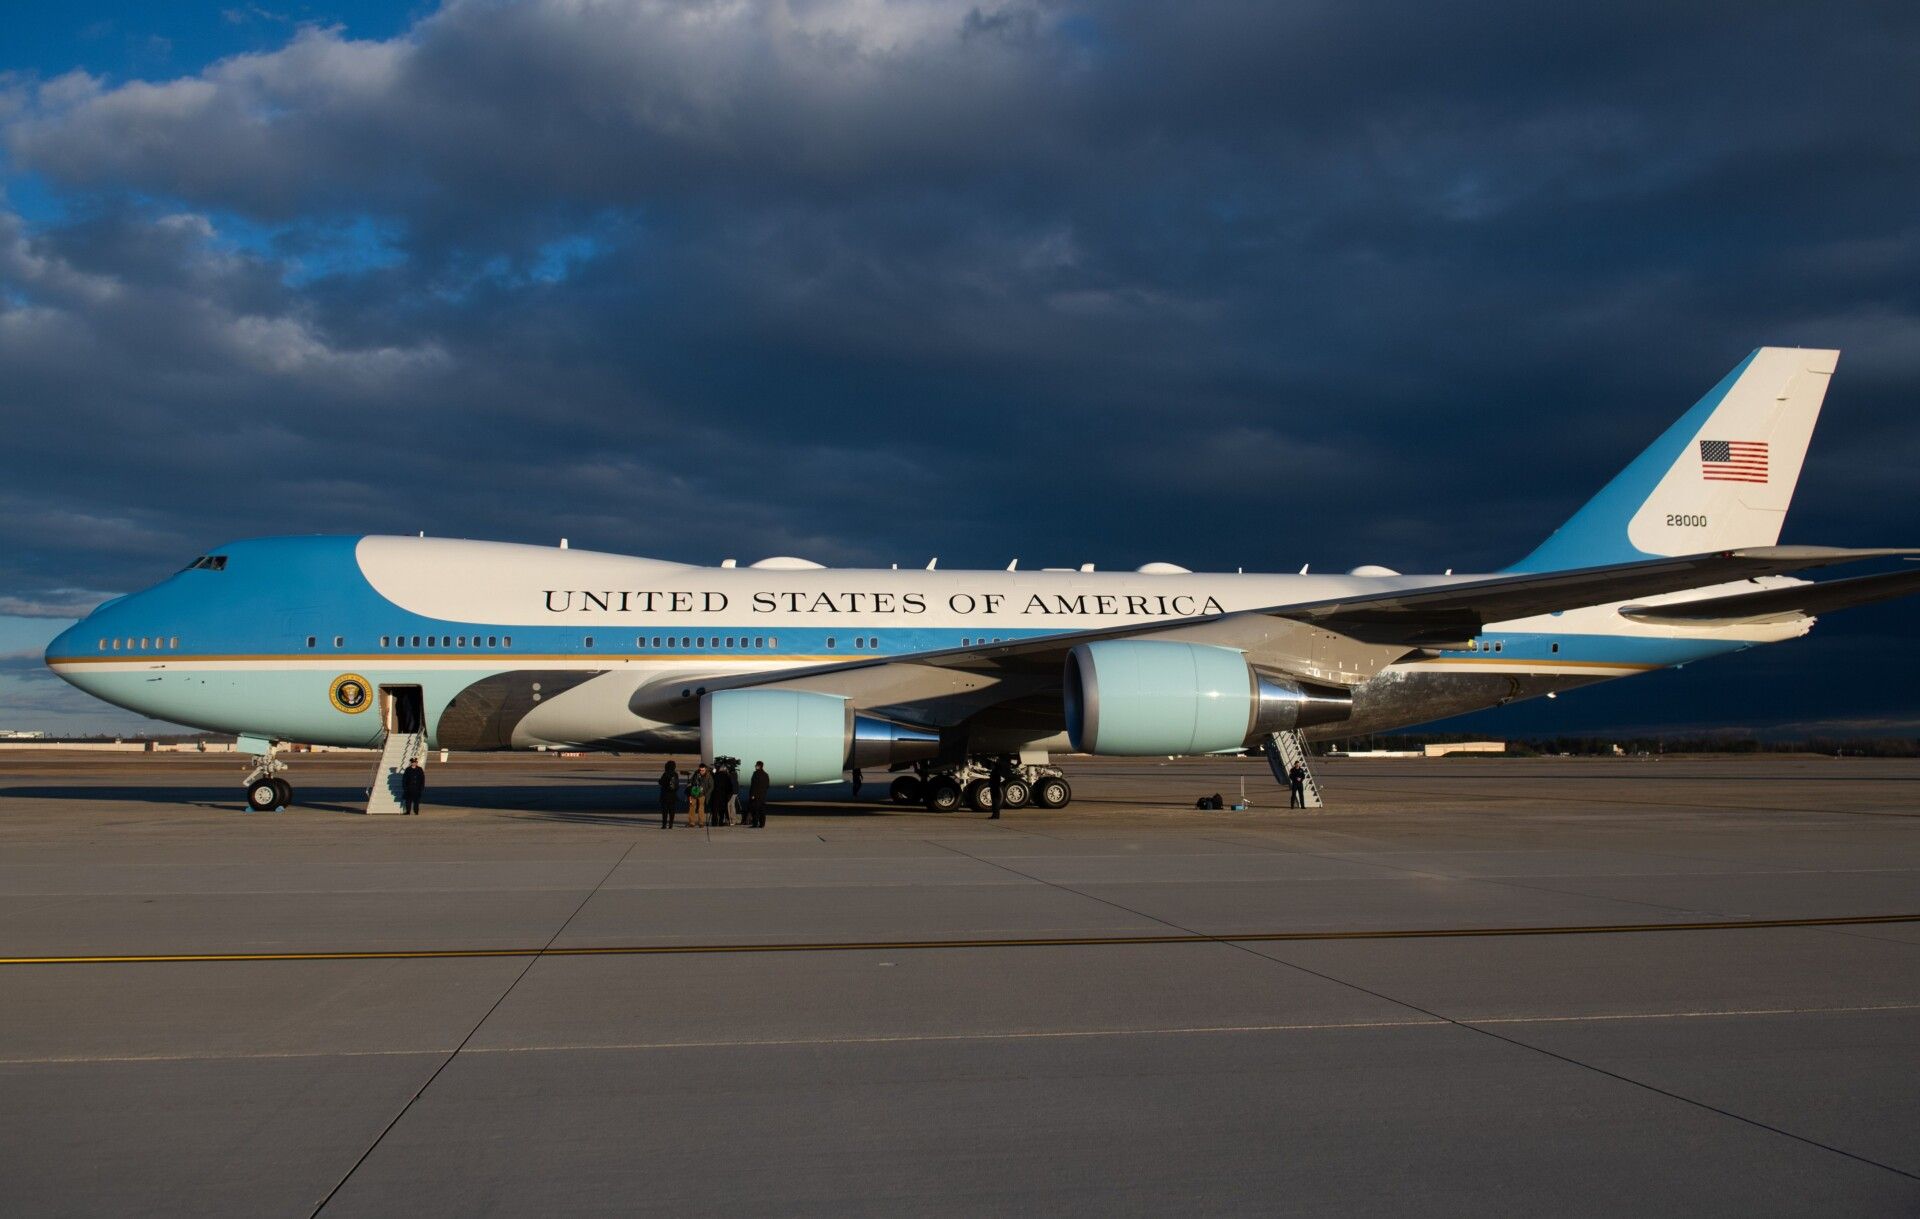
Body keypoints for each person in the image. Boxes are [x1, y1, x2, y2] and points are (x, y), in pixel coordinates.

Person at [745, 760, 770, 828]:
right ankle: (762, 824)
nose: (755, 766)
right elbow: (767, 785)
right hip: (763, 795)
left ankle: (755, 823)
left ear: (759, 766)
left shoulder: (756, 774)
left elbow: (754, 785)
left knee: (755, 810)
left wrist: (752, 795)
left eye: (756, 765)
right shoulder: (766, 775)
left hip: (756, 796)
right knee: (762, 810)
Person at [711, 762, 736, 827]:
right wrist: (728, 795)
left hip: (716, 795)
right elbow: (730, 787)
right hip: (723, 795)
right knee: (722, 810)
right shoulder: (727, 776)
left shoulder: (715, 775)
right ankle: (721, 822)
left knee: (715, 810)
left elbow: (711, 784)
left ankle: (714, 822)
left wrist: (713, 771)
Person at [658, 759, 679, 829]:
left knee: (665, 811)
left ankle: (664, 825)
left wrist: (660, 781)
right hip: (673, 796)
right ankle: (671, 824)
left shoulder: (665, 774)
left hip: (665, 795)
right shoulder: (675, 774)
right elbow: (677, 785)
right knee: (672, 811)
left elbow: (661, 782)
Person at [987, 756, 1009, 820]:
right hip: (994, 787)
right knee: (994, 802)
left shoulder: (996, 772)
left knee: (995, 802)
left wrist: (996, 761)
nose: (991, 766)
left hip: (995, 788)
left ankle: (996, 815)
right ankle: (995, 815)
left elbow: (999, 765)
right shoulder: (995, 771)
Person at [688, 763, 710, 828]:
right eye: (700, 770)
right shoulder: (696, 774)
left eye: (703, 770)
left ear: (705, 769)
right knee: (692, 807)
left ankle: (701, 822)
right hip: (694, 793)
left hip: (702, 794)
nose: (701, 772)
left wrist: (706, 793)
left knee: (701, 808)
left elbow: (711, 786)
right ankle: (692, 822)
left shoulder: (708, 775)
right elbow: (691, 781)